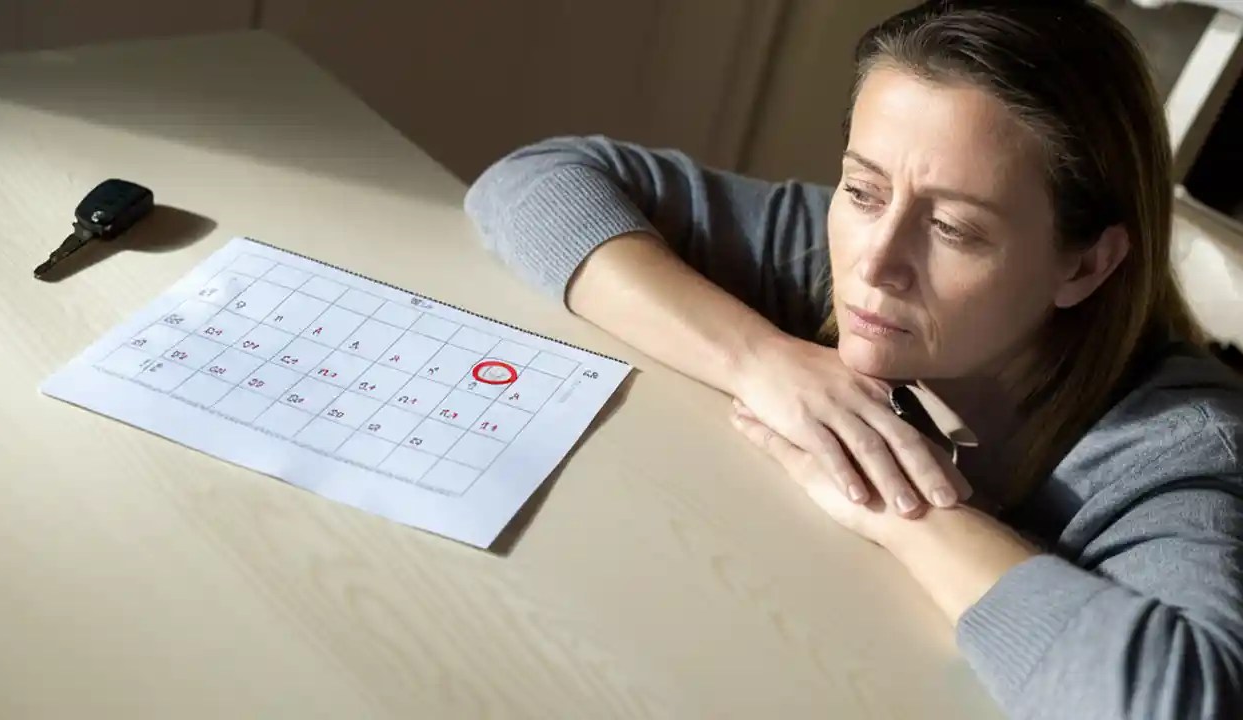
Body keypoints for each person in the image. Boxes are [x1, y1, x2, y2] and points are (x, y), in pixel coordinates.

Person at [462, 1, 1243, 717]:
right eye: (863, 190)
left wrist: (905, 508)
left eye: (954, 231)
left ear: (1084, 267)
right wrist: (761, 359)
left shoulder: (1181, 451)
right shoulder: (823, 253)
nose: (874, 263)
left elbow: (1182, 703)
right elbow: (532, 184)